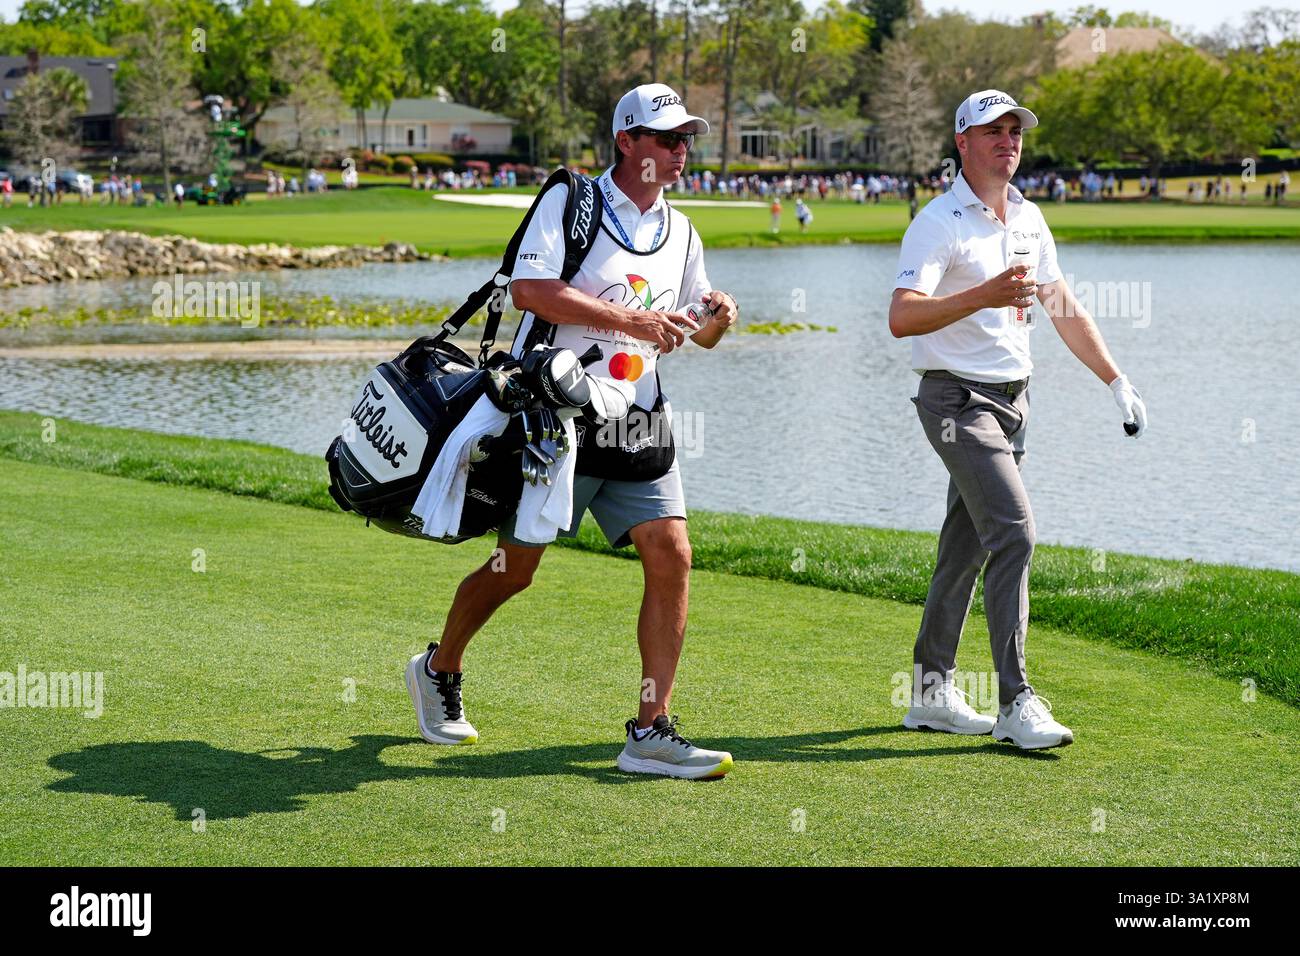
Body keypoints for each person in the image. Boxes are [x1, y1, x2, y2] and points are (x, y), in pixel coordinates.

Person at [407, 83, 741, 779]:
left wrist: (716, 317)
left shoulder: (681, 231)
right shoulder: (572, 201)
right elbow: (530, 291)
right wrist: (634, 323)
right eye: (668, 138)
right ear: (627, 141)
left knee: (672, 553)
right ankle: (439, 666)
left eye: (687, 139)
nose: (683, 151)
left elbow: (694, 333)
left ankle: (650, 730)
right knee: (515, 569)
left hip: (639, 418)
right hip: (555, 416)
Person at [888, 89, 1148, 750]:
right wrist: (986, 293)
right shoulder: (939, 221)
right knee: (1016, 532)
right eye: (993, 131)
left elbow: (1062, 305)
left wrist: (1115, 379)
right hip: (954, 401)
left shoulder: (1029, 219)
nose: (1008, 141)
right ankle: (1016, 701)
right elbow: (902, 316)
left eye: (1015, 131)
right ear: (962, 143)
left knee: (967, 542)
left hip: (1014, 402)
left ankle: (928, 691)